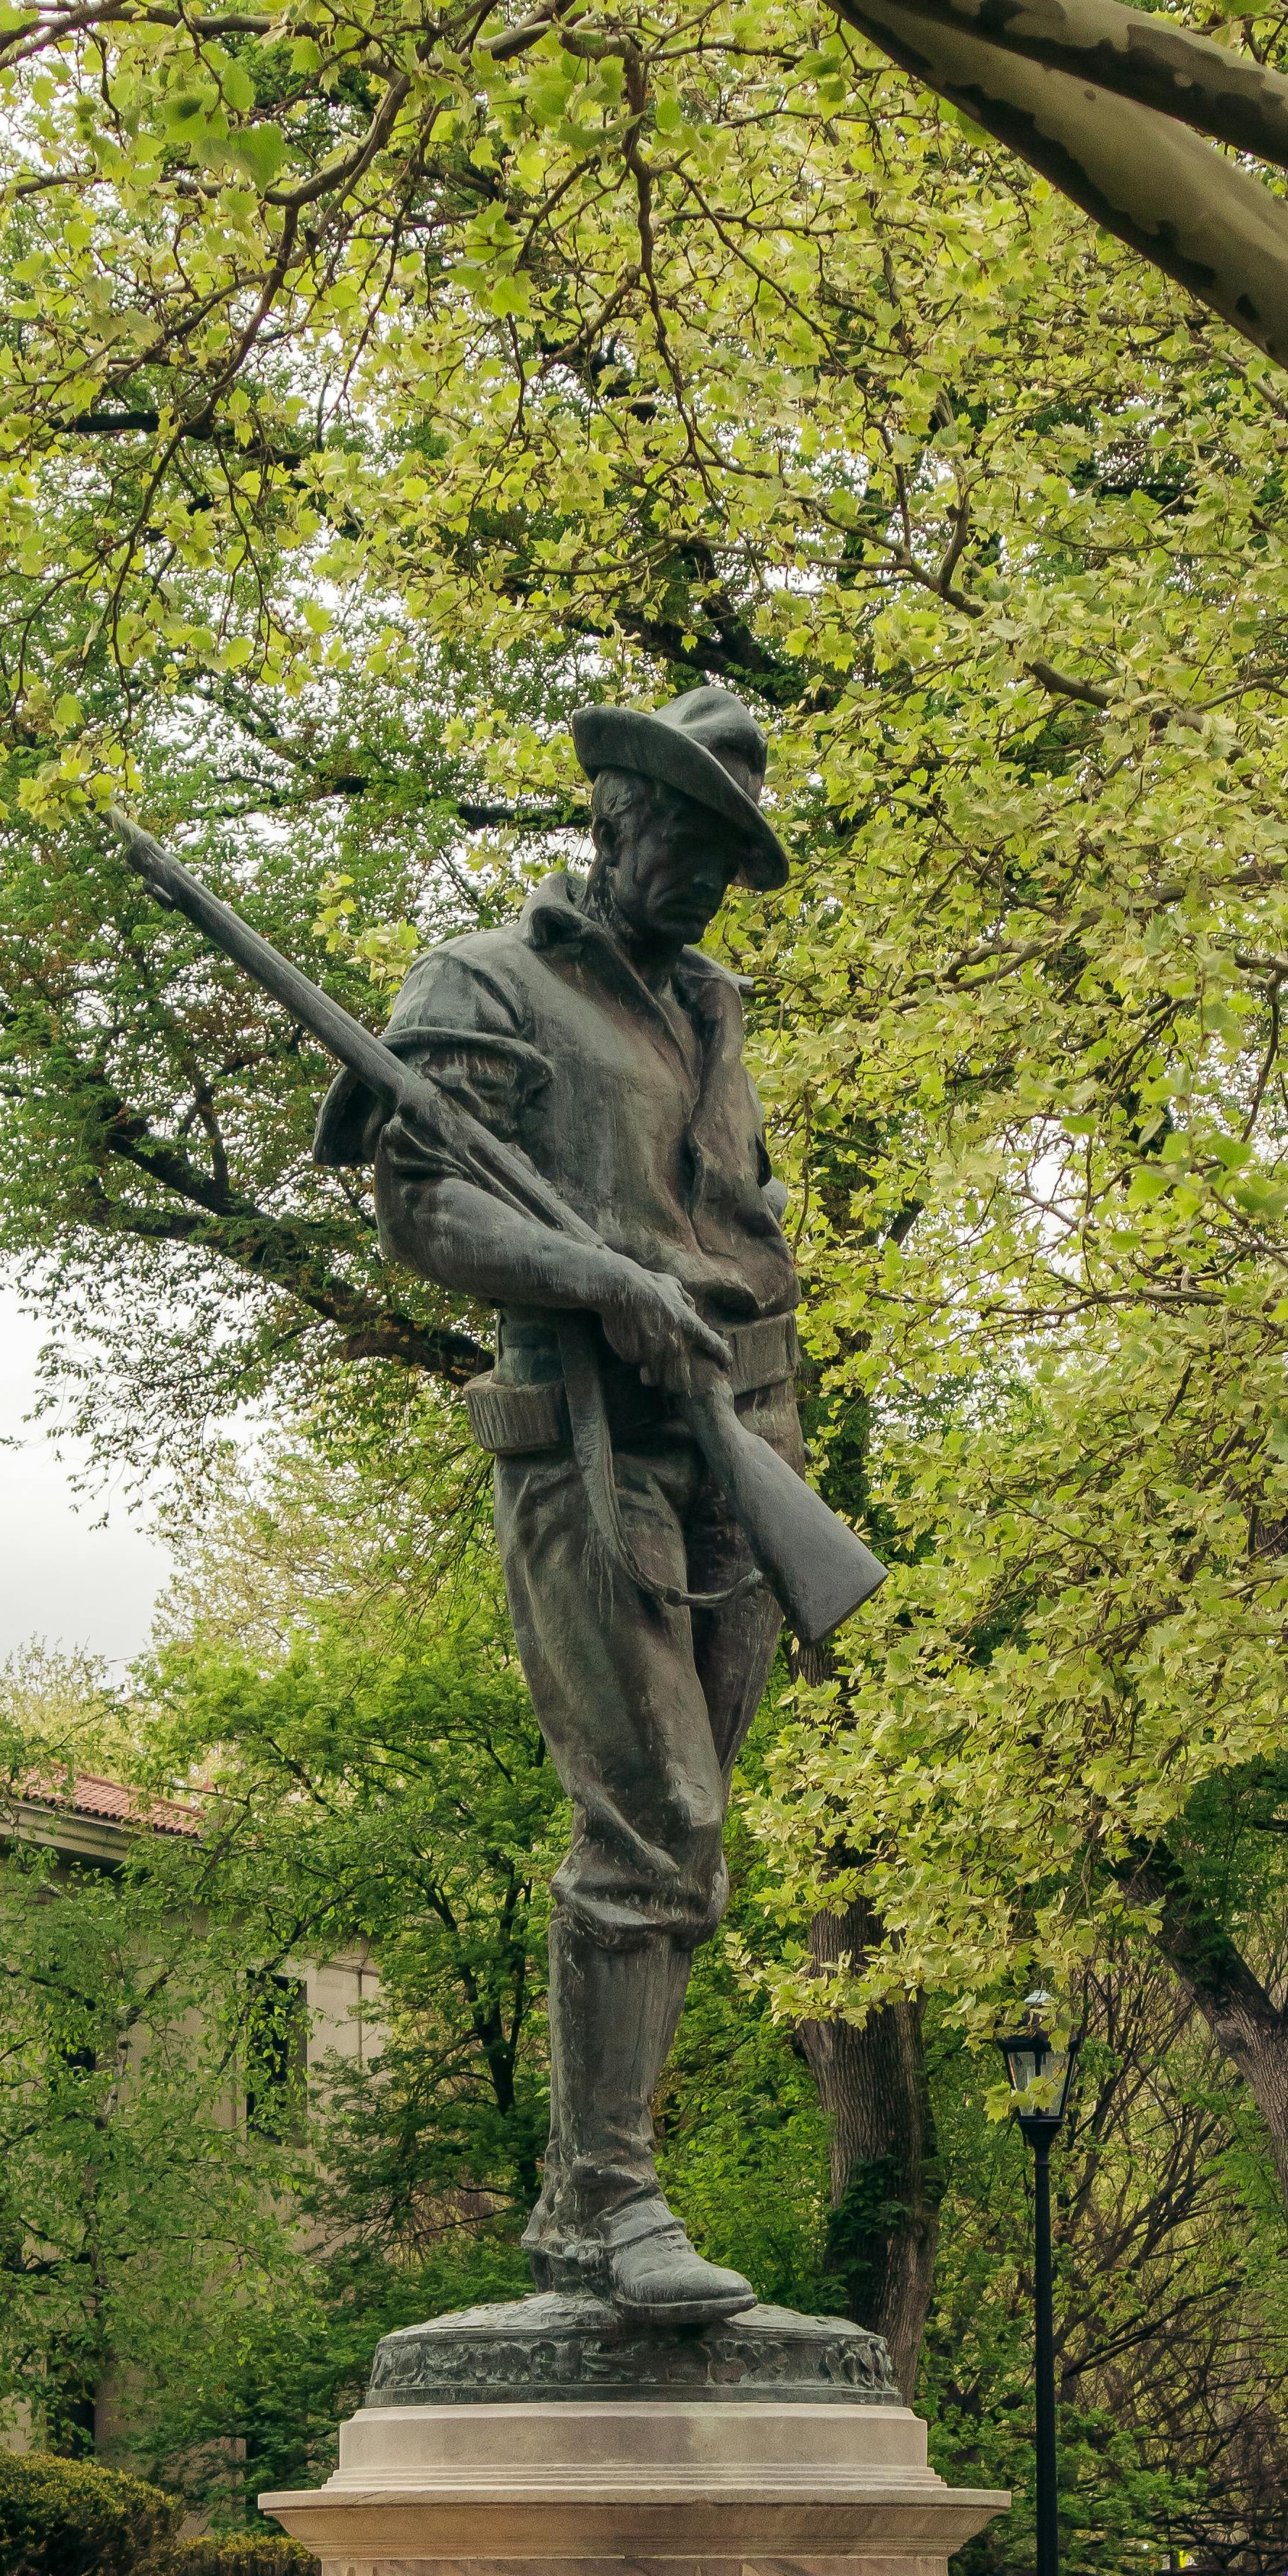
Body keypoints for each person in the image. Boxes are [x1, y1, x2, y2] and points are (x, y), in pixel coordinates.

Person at [318, 683, 802, 2323]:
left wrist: (767, 1433)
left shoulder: (714, 1008)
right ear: (611, 817)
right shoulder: (484, 982)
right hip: (583, 1437)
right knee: (659, 1815)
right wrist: (598, 1281)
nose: (706, 880)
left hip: (737, 1444)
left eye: (733, 859)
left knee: (687, 1848)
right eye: (689, 841)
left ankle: (579, 2212)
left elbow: (736, 1230)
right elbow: (424, 1204)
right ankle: (614, 2197)